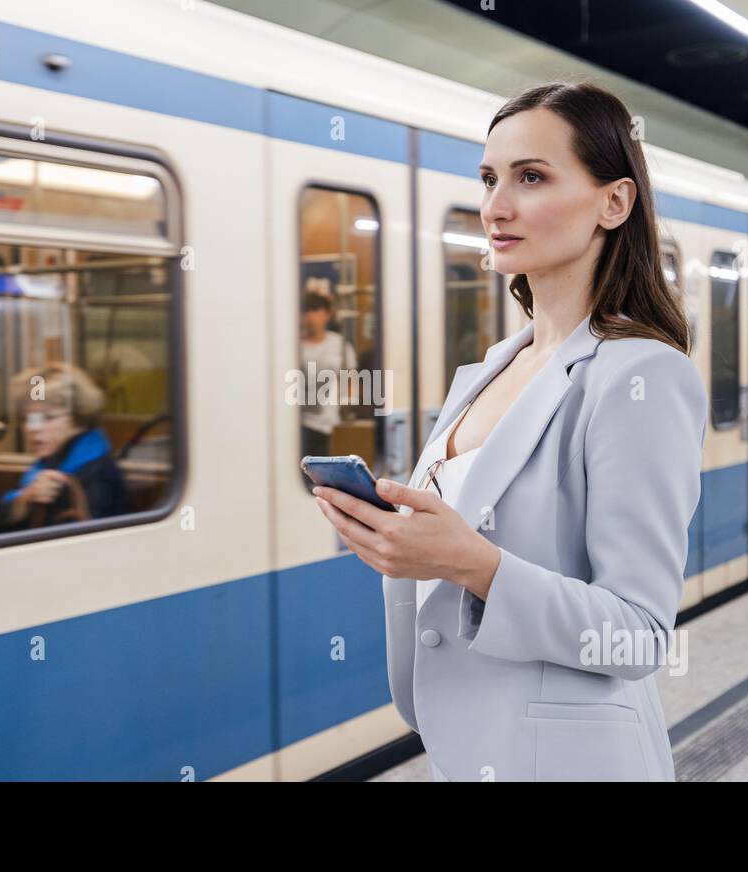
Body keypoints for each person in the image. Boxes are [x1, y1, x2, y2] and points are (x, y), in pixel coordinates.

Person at [313, 81, 706, 781]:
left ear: (614, 203)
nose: (495, 206)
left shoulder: (639, 375)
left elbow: (638, 636)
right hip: (472, 750)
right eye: (490, 178)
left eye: (531, 177)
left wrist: (471, 562)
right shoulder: (492, 368)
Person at [3, 362, 127, 528]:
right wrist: (26, 498)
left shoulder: (96, 474)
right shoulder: (49, 462)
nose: (32, 428)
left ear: (79, 419)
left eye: (48, 417)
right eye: (28, 419)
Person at [299, 291, 358, 459]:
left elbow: (350, 379)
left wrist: (348, 404)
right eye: (306, 311)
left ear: (327, 315)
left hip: (331, 422)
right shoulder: (294, 346)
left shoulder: (339, 344)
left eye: (316, 310)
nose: (310, 317)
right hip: (300, 424)